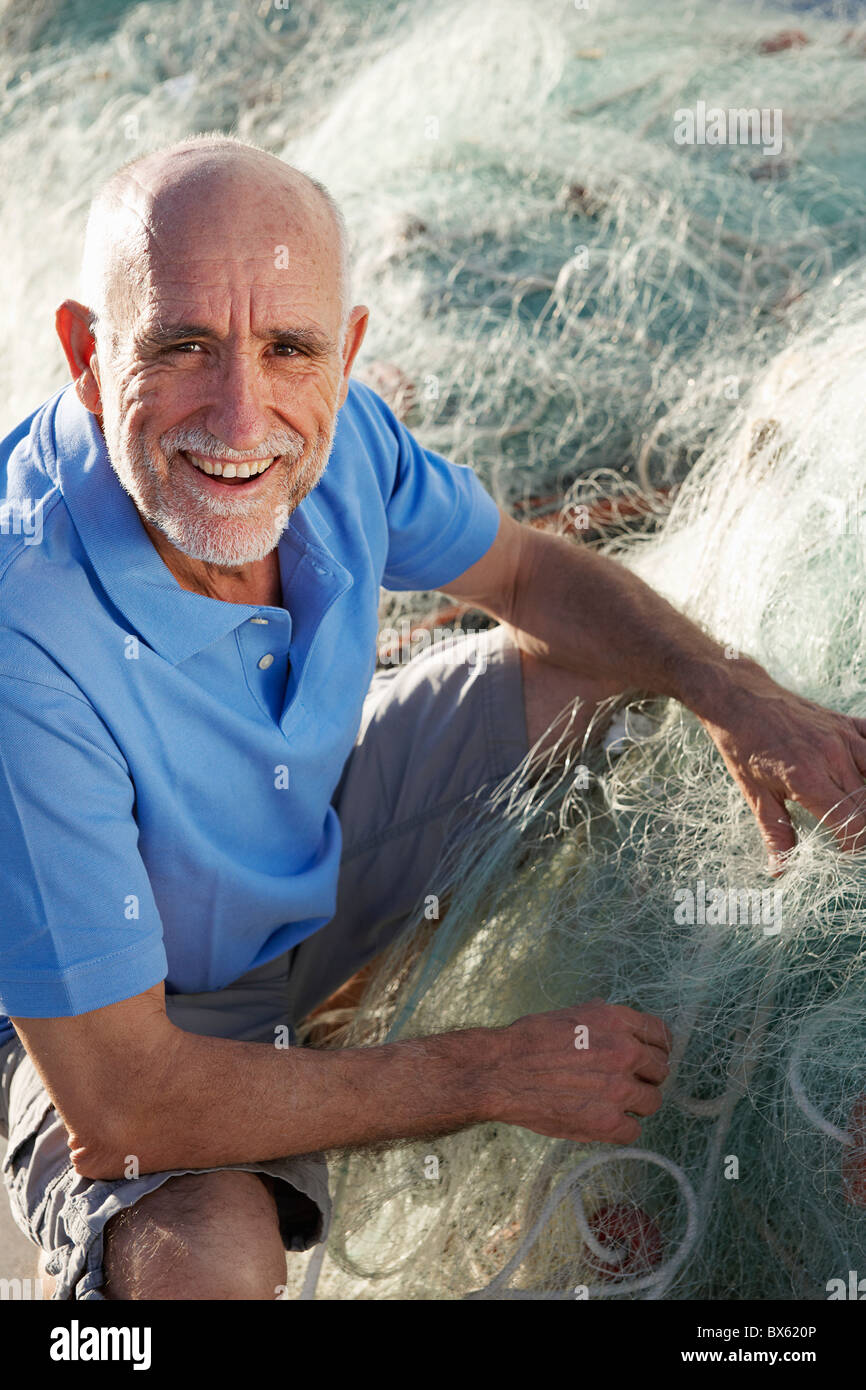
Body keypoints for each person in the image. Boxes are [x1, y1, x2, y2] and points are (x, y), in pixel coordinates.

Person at [1, 133, 864, 1302]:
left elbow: (528, 578)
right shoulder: (23, 631)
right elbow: (121, 1102)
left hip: (304, 862)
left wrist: (730, 690)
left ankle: (328, 1035)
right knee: (202, 1269)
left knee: (610, 670)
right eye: (184, 345)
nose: (242, 412)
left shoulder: (338, 439)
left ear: (345, 353)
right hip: (108, 1022)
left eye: (288, 348)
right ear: (85, 354)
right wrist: (487, 1069)